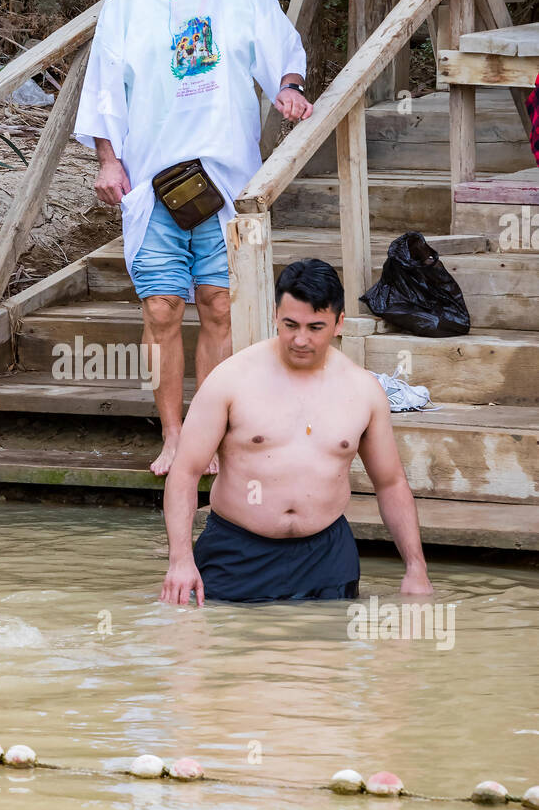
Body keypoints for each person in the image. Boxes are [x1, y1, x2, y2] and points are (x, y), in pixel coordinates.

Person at [74, 0, 313, 475]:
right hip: (155, 182)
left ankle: (209, 433)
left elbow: (280, 48)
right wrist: (109, 160)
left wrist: (287, 87)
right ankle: (174, 436)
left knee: (217, 306)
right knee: (160, 310)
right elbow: (106, 87)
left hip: (226, 181)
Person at [160, 259, 433, 605]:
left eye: (315, 327)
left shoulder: (363, 390)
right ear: (275, 316)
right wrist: (180, 561)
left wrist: (416, 568)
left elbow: (390, 482)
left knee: (330, 655)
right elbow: (185, 472)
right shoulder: (230, 380)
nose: (300, 339)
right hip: (237, 553)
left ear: (339, 324)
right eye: (290, 325)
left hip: (326, 557)